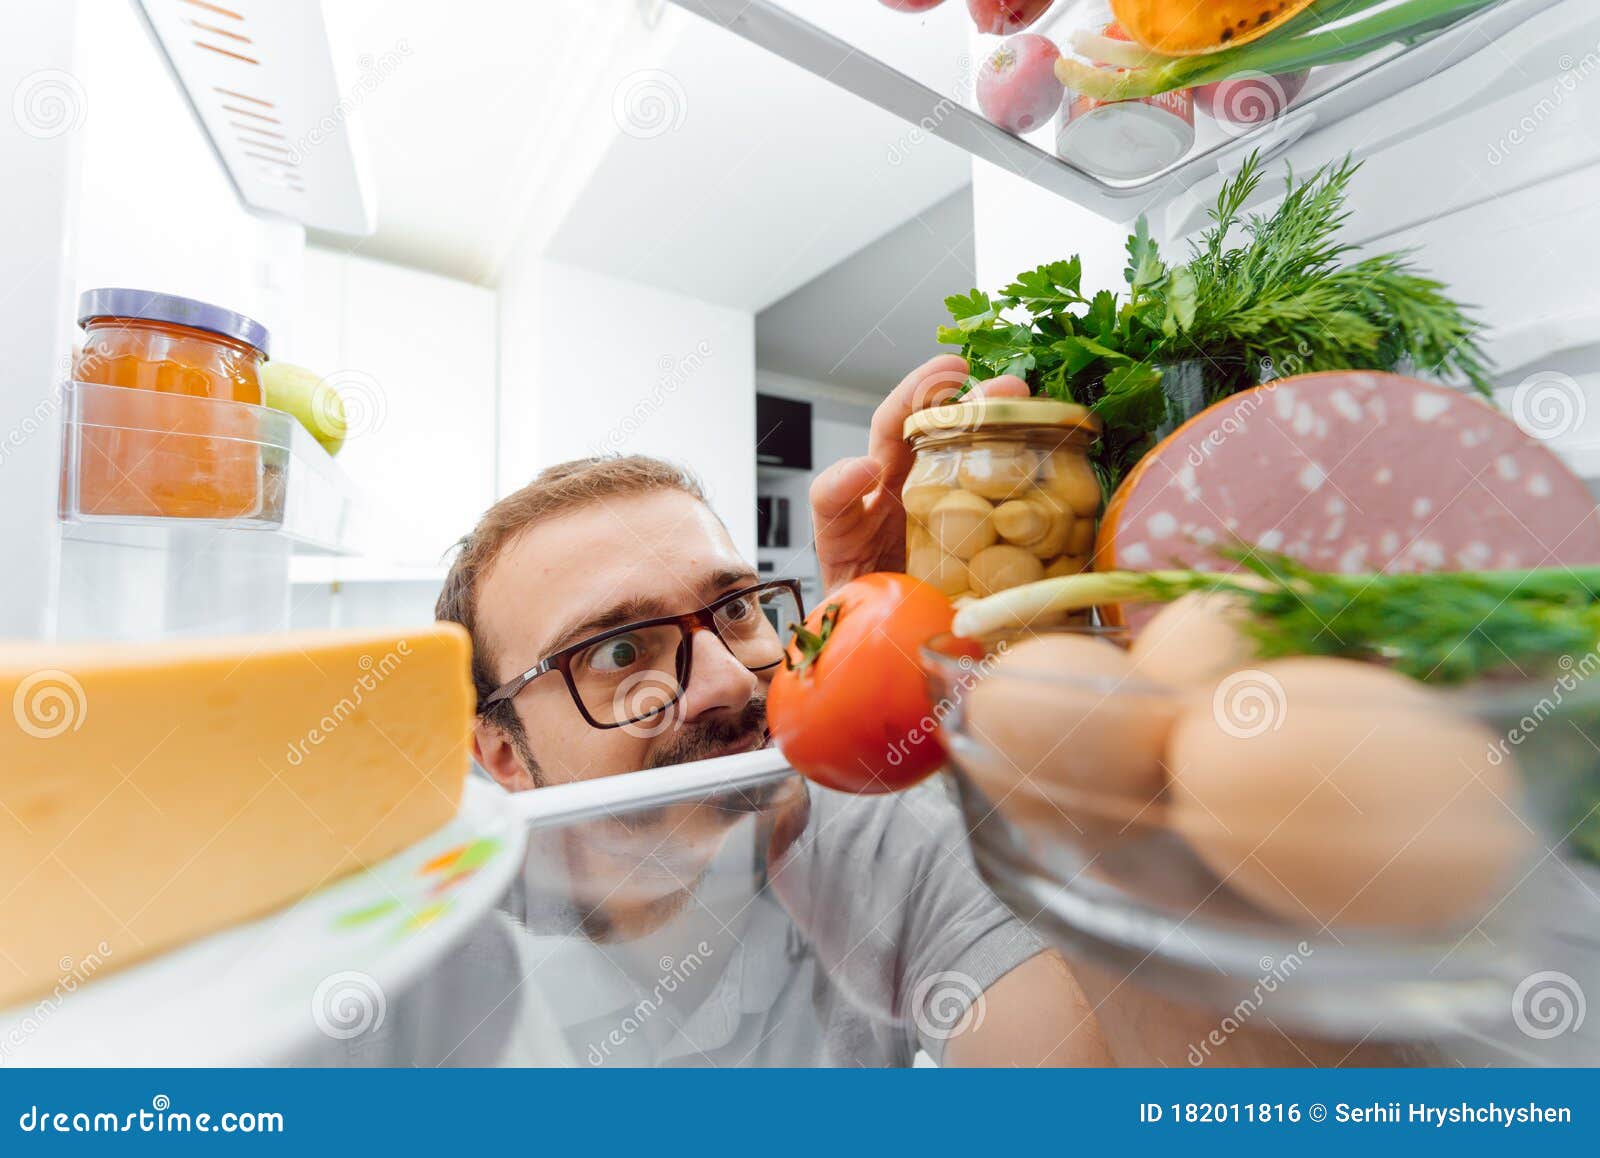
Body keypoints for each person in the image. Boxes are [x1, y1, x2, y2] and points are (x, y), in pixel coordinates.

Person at [429, 357, 1109, 1066]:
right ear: (503, 754)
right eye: (621, 651)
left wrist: (964, 709)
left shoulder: (877, 837)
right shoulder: (422, 960)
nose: (726, 682)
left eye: (736, 608)